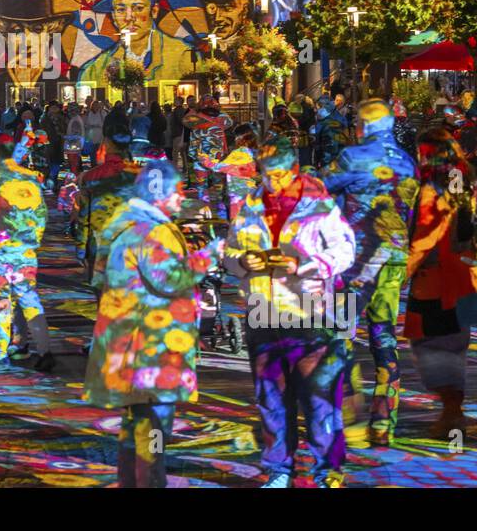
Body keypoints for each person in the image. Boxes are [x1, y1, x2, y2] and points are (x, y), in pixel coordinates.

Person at [205, 135, 356, 487]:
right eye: (266, 174)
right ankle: (278, 469)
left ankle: (327, 470)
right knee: (271, 397)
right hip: (261, 308)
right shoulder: (252, 203)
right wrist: (242, 261)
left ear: (294, 170)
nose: (271, 182)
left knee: (319, 399)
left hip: (310, 312)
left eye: (278, 175)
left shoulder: (318, 203)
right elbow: (230, 252)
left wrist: (304, 264)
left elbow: (345, 250)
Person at [83, 159, 206, 487]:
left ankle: (131, 481)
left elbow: (98, 280)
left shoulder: (121, 225)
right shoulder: (152, 231)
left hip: (127, 343)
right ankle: (152, 482)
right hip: (152, 347)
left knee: (134, 422)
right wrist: (206, 258)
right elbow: (170, 279)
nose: (182, 197)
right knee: (155, 426)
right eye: (177, 190)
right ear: (159, 194)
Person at [322, 98, 420, 446]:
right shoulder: (409, 163)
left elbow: (322, 192)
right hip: (393, 257)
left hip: (357, 259)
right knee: (385, 338)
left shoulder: (352, 157)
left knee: (339, 335)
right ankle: (384, 423)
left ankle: (347, 416)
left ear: (364, 126)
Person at [403, 127, 477, 439]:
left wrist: (401, 273)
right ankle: (453, 413)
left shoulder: (430, 190)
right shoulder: (466, 181)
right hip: (467, 277)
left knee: (432, 346)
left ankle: (452, 414)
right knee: (456, 347)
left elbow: (424, 240)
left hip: (436, 283)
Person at [0, 131, 53, 372]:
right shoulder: (30, 178)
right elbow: (42, 213)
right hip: (25, 250)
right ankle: (44, 349)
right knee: (29, 299)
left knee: (0, 302)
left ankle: (0, 351)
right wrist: (33, 241)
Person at [73, 117, 141, 285]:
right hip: (134, 244)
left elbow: (84, 217)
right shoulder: (141, 176)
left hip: (101, 246)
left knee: (103, 298)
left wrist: (81, 250)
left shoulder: (92, 176)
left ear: (107, 144)